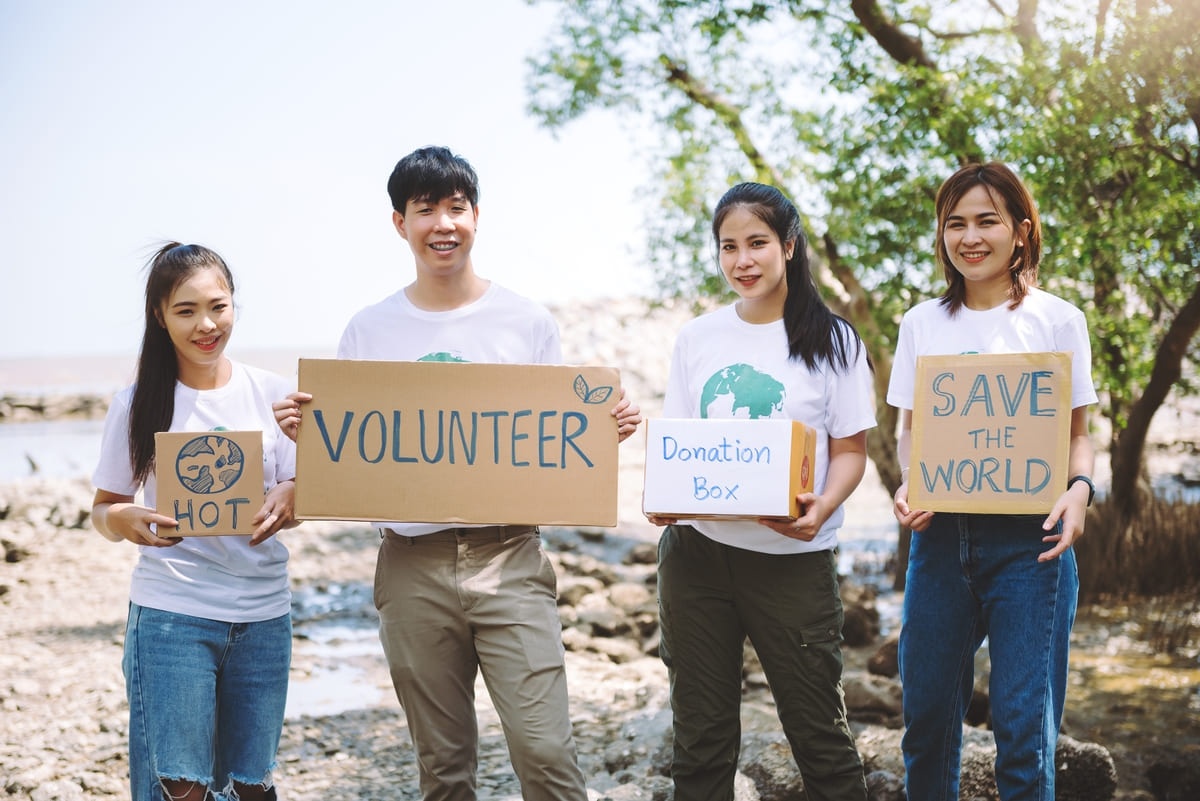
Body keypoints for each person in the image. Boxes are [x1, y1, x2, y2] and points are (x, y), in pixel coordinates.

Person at [274, 145, 642, 801]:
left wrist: (600, 432)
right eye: (425, 209)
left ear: (476, 215)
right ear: (400, 223)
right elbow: (351, 453)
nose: (443, 223)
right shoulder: (370, 329)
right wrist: (310, 436)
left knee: (548, 751)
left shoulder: (525, 321)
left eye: (456, 207)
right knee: (442, 767)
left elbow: (553, 441)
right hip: (411, 563)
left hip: (511, 555)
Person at [646, 182, 874, 801]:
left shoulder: (835, 341)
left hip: (792, 563)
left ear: (789, 247)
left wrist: (822, 508)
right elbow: (684, 447)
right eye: (728, 247)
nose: (742, 260)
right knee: (700, 742)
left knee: (821, 740)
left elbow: (851, 452)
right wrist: (667, 499)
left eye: (757, 243)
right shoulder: (697, 338)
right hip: (695, 559)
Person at [888, 161, 1097, 800]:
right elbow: (909, 433)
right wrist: (910, 484)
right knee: (925, 726)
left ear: (1021, 232)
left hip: (1032, 548)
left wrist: (1081, 492)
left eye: (987, 221)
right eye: (955, 223)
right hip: (941, 545)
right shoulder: (921, 322)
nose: (970, 236)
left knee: (1023, 734)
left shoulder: (1059, 320)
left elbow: (1078, 436)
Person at [91, 243, 298, 801]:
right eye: (186, 311)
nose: (206, 325)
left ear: (235, 306)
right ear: (159, 316)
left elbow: (299, 501)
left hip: (264, 616)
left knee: (251, 787)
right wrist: (125, 519)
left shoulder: (276, 396)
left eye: (218, 306)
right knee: (180, 788)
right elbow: (104, 507)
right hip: (171, 616)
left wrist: (291, 490)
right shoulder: (136, 403)